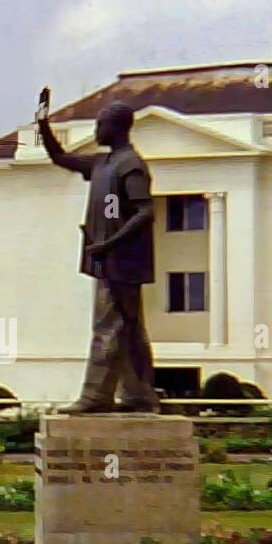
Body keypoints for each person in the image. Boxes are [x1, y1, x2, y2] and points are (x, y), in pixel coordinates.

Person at [36, 99, 160, 413]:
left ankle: (96, 396)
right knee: (127, 327)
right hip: (108, 261)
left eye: (100, 124)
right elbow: (60, 156)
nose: (96, 130)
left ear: (115, 128)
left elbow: (146, 211)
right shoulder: (101, 164)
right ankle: (139, 395)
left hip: (121, 263)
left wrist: (110, 243)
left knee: (109, 327)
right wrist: (43, 125)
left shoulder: (131, 165)